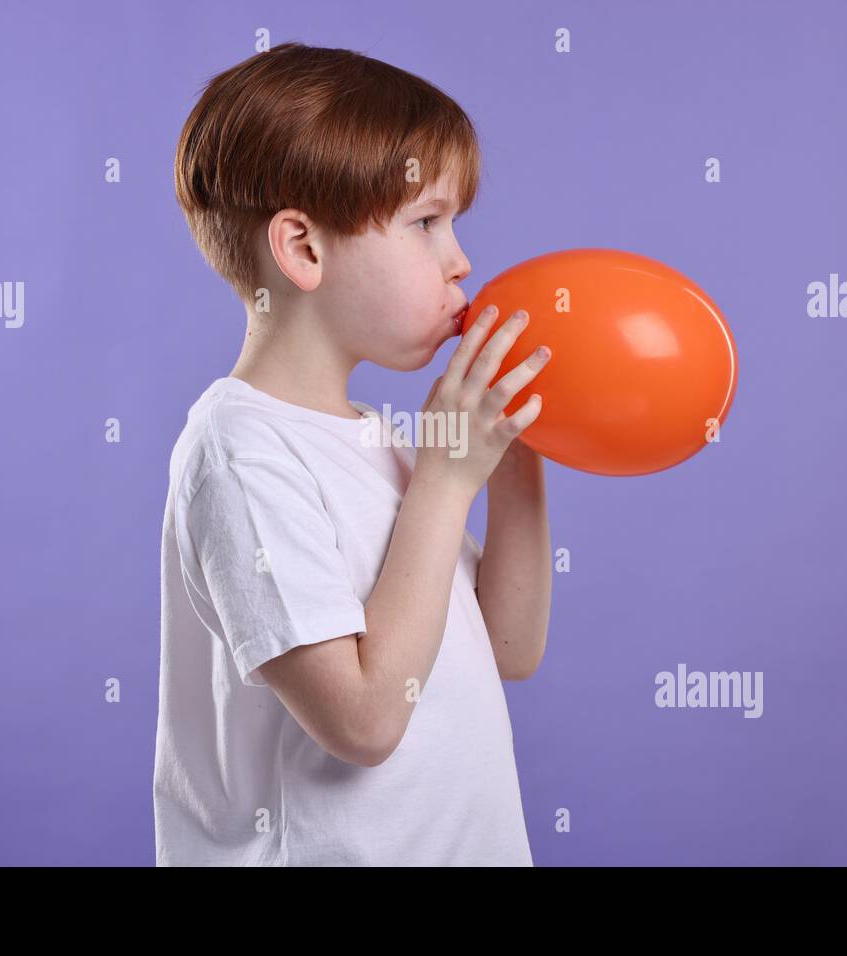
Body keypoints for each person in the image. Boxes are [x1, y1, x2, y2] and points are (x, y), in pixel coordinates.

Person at [155, 41, 554, 865]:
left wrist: (517, 459)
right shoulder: (239, 454)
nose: (461, 261)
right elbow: (364, 722)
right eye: (426, 223)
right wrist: (447, 481)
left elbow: (511, 648)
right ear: (303, 250)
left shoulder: (378, 440)